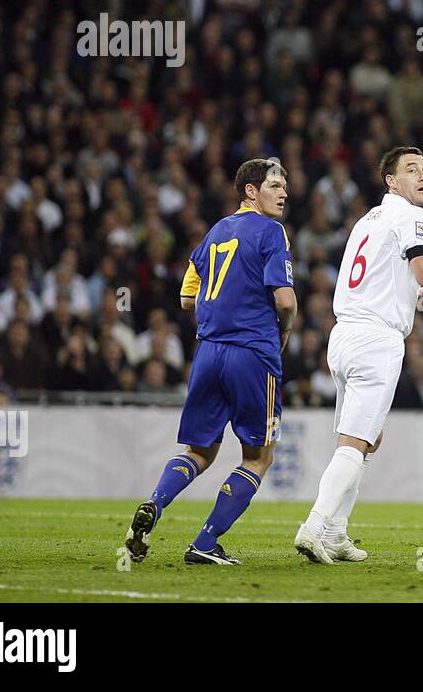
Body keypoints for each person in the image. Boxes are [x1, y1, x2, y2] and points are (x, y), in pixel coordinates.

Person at [293, 146, 423, 564]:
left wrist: (419, 299)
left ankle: (336, 533)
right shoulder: (412, 216)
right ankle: (313, 528)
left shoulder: (368, 220)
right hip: (376, 342)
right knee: (355, 442)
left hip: (343, 335)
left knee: (363, 442)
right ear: (391, 181)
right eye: (412, 170)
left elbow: (379, 279)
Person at [124, 159, 296, 566]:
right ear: (250, 191)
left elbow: (186, 298)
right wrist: (283, 330)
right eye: (274, 185)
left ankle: (154, 503)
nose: (283, 192)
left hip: (208, 354)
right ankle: (205, 542)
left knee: (198, 451)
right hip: (252, 353)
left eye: (284, 186)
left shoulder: (215, 231)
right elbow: (285, 300)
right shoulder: (272, 231)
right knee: (257, 458)